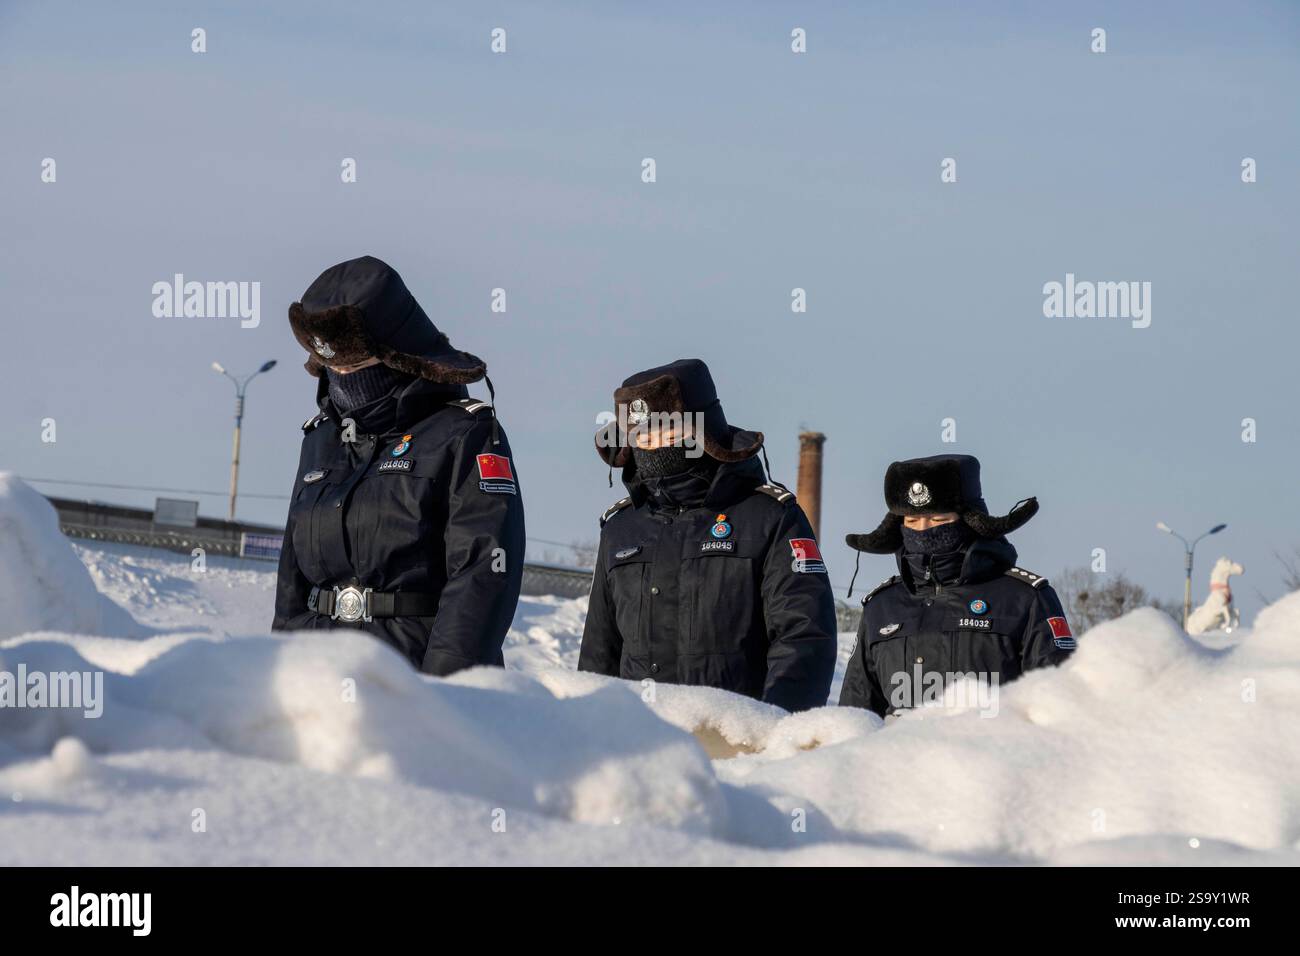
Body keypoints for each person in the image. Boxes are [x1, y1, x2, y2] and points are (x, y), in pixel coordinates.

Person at [271, 255, 524, 676]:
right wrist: (277, 674)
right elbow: (291, 576)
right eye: (333, 366)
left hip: (410, 675)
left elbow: (482, 573)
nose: (344, 378)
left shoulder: (465, 433)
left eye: (356, 366)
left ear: (397, 354)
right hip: (314, 673)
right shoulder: (319, 438)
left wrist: (445, 689)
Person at [578, 358, 836, 711]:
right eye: (642, 437)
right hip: (637, 745)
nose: (655, 447)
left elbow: (804, 637)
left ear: (703, 431)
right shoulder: (620, 528)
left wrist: (776, 734)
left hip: (738, 747)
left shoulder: (770, 517)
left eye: (668, 433)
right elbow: (598, 651)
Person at [838, 454, 1074, 716]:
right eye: (912, 521)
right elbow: (855, 715)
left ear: (970, 520)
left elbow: (1059, 708)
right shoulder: (881, 607)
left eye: (939, 520)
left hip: (993, 753)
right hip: (900, 754)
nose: (923, 531)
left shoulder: (1024, 599)